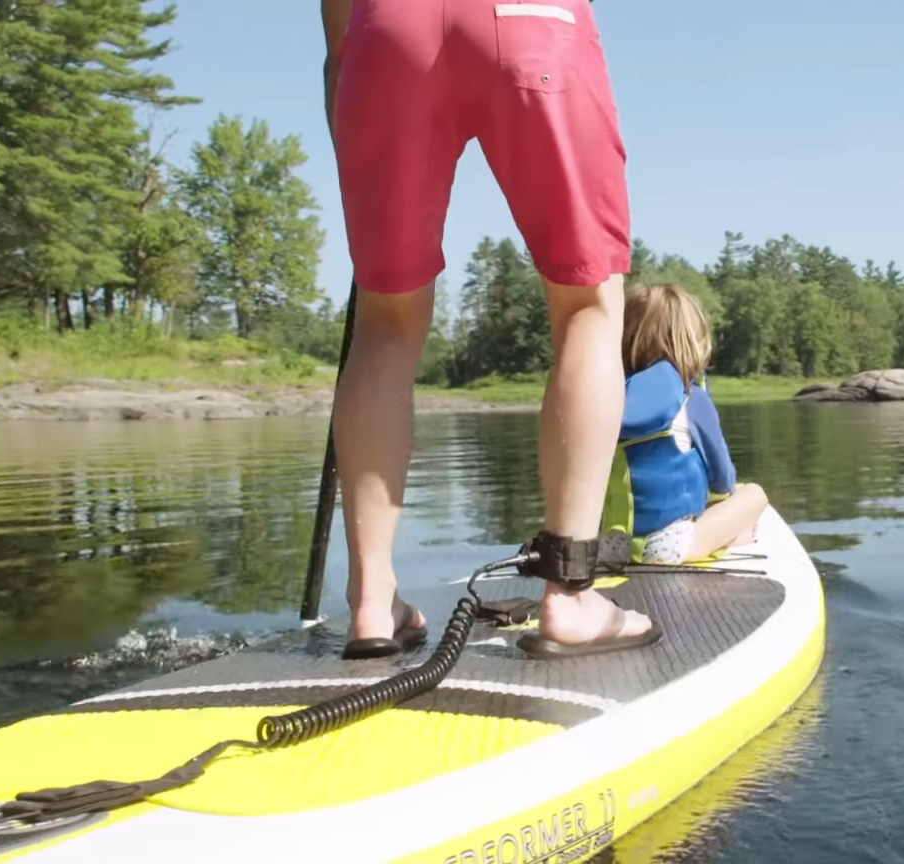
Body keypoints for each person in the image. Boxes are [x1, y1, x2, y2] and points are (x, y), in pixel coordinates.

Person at [319, 0, 657, 660]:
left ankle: (371, 601)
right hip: (533, 20)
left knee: (384, 325)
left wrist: (348, 72)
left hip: (384, 32)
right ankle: (571, 593)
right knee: (587, 305)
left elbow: (338, 29)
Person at [595, 283, 768, 570]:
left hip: (612, 544)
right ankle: (729, 538)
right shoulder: (691, 399)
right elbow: (723, 481)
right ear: (691, 342)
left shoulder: (605, 398)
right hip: (665, 547)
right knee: (754, 494)